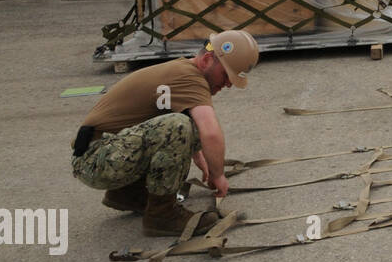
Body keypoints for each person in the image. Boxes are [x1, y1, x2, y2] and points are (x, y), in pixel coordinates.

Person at [71, 30, 259, 235]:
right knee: (180, 125)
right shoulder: (190, 78)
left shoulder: (183, 72)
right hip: (95, 160)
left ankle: (129, 194)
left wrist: (197, 154)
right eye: (226, 74)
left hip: (104, 154)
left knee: (187, 124)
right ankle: (163, 216)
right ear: (206, 60)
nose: (229, 84)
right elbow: (210, 133)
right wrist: (218, 175)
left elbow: (175, 122)